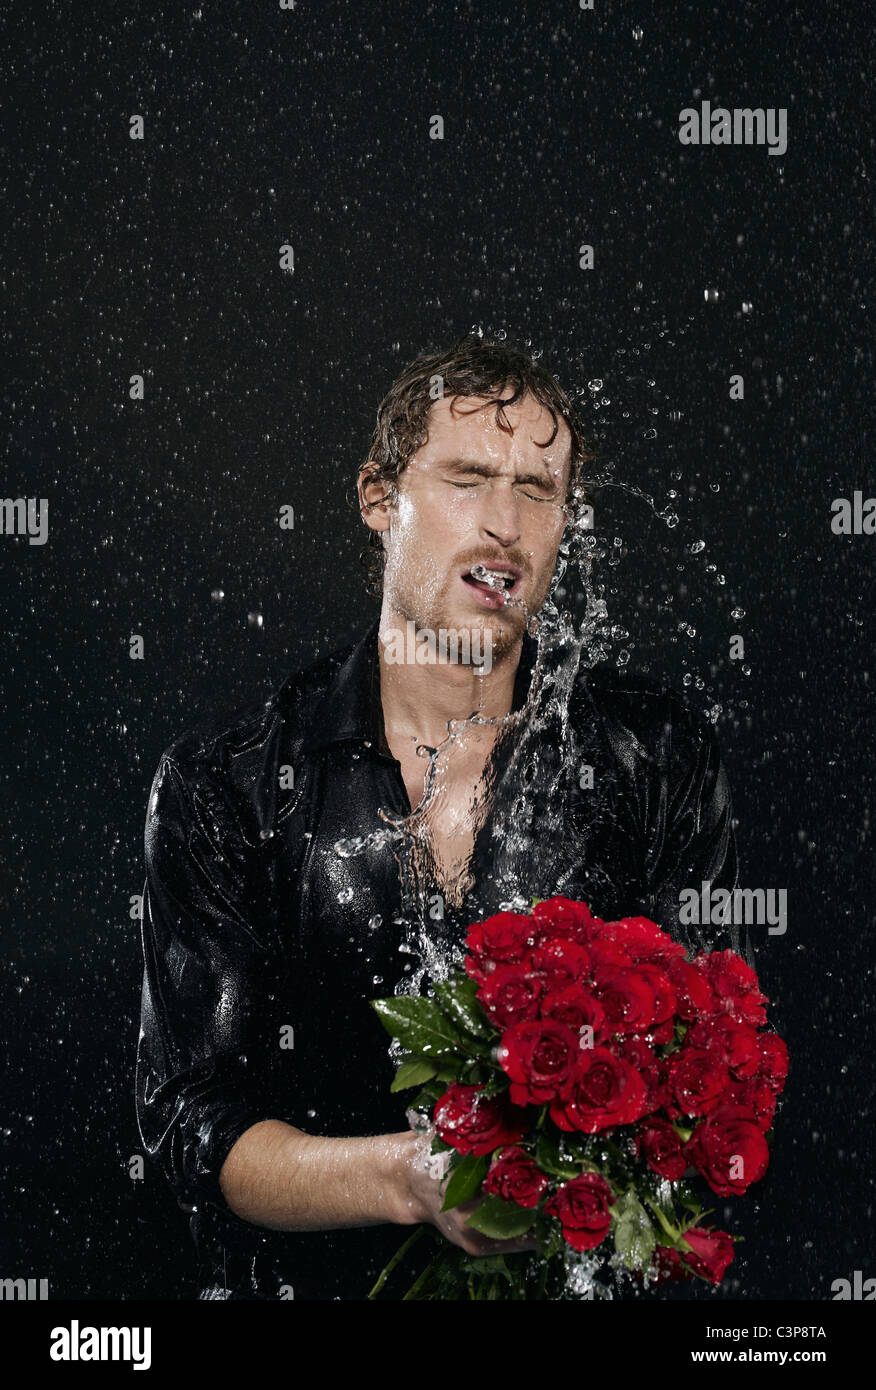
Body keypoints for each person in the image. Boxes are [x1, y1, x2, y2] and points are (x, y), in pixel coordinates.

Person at [135, 334, 755, 1300]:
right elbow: (191, 1122)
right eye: (468, 477)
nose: (505, 523)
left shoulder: (653, 756)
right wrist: (409, 1179)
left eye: (538, 491)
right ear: (380, 497)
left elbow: (707, 1065)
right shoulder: (234, 782)